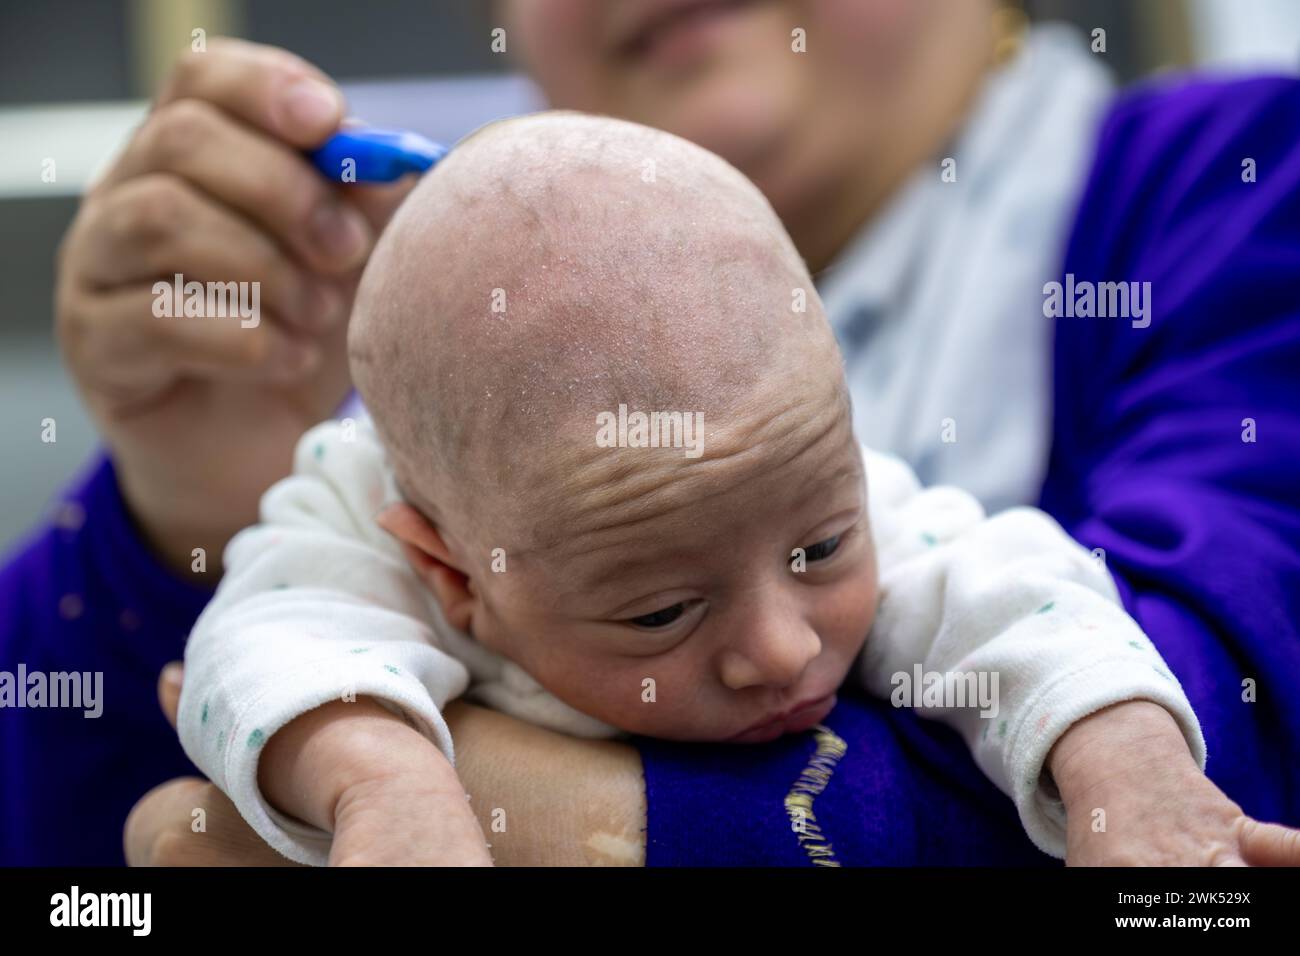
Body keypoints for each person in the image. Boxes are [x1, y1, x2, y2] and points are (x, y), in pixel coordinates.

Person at [4, 2, 1299, 865]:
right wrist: (178, 516)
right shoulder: (420, 397)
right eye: (656, 608)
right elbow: (97, 845)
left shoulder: (1240, 186)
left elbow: (1233, 717)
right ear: (441, 558)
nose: (783, 652)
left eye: (822, 544)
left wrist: (497, 814)